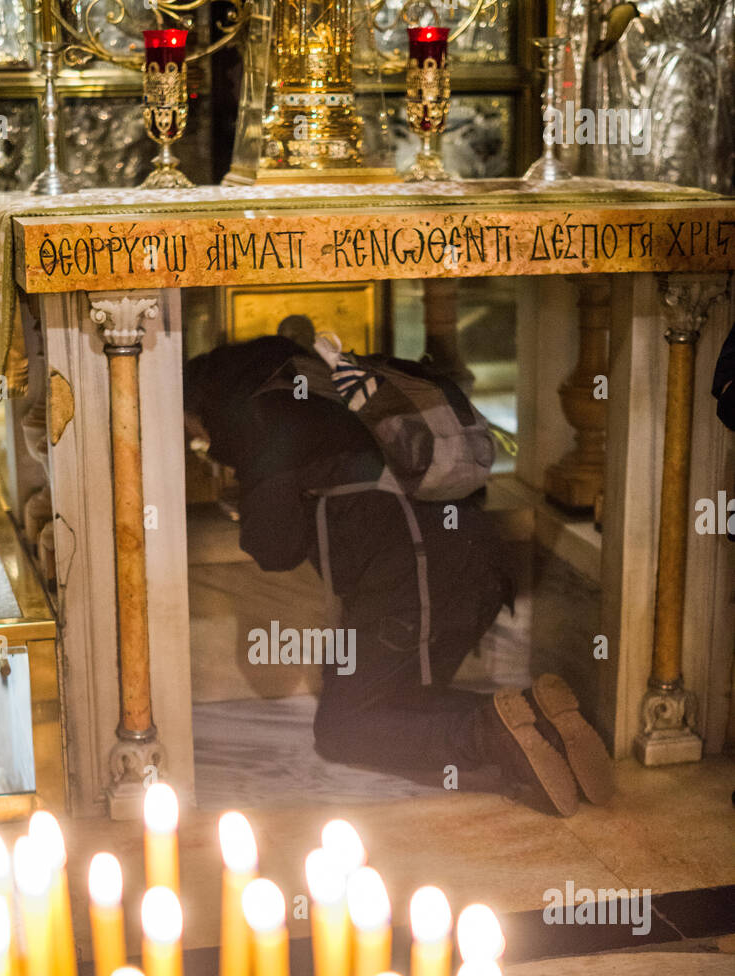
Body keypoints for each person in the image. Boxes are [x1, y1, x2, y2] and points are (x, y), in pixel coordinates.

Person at [184, 327, 615, 816]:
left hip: (415, 581)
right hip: (475, 568)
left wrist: (248, 501)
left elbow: (275, 548)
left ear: (206, 403)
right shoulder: (334, 390)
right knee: (398, 702)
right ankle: (541, 722)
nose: (200, 444)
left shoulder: (260, 417)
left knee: (344, 730)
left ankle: (490, 733)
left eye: (194, 434)